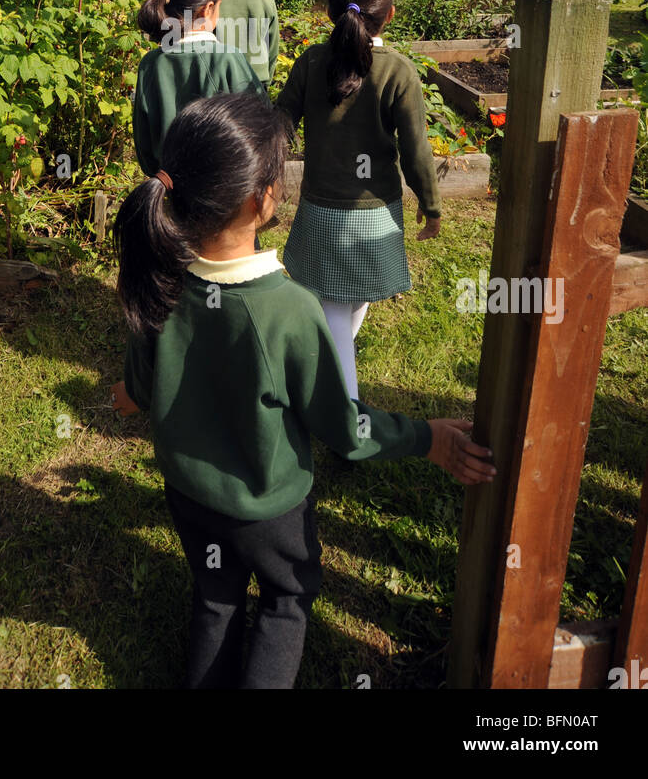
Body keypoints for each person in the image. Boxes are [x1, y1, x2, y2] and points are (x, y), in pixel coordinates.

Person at [111, 92, 495, 690]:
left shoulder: (159, 283)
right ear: (261, 199)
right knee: (288, 596)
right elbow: (343, 427)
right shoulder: (288, 311)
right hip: (270, 510)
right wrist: (427, 439)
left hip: (189, 496)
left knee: (215, 595)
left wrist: (125, 396)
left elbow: (136, 387)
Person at [276, 0, 441, 399]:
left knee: (334, 306)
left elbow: (280, 126)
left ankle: (329, 383)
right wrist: (432, 208)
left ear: (327, 10)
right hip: (376, 217)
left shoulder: (311, 62)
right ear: (390, 14)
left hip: (321, 211)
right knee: (346, 304)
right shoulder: (399, 71)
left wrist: (264, 184)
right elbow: (417, 151)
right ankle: (346, 417)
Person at [132, 0, 264, 176]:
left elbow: (144, 146)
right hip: (222, 193)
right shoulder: (228, 59)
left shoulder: (149, 65)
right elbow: (260, 129)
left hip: (169, 192)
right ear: (207, 9)